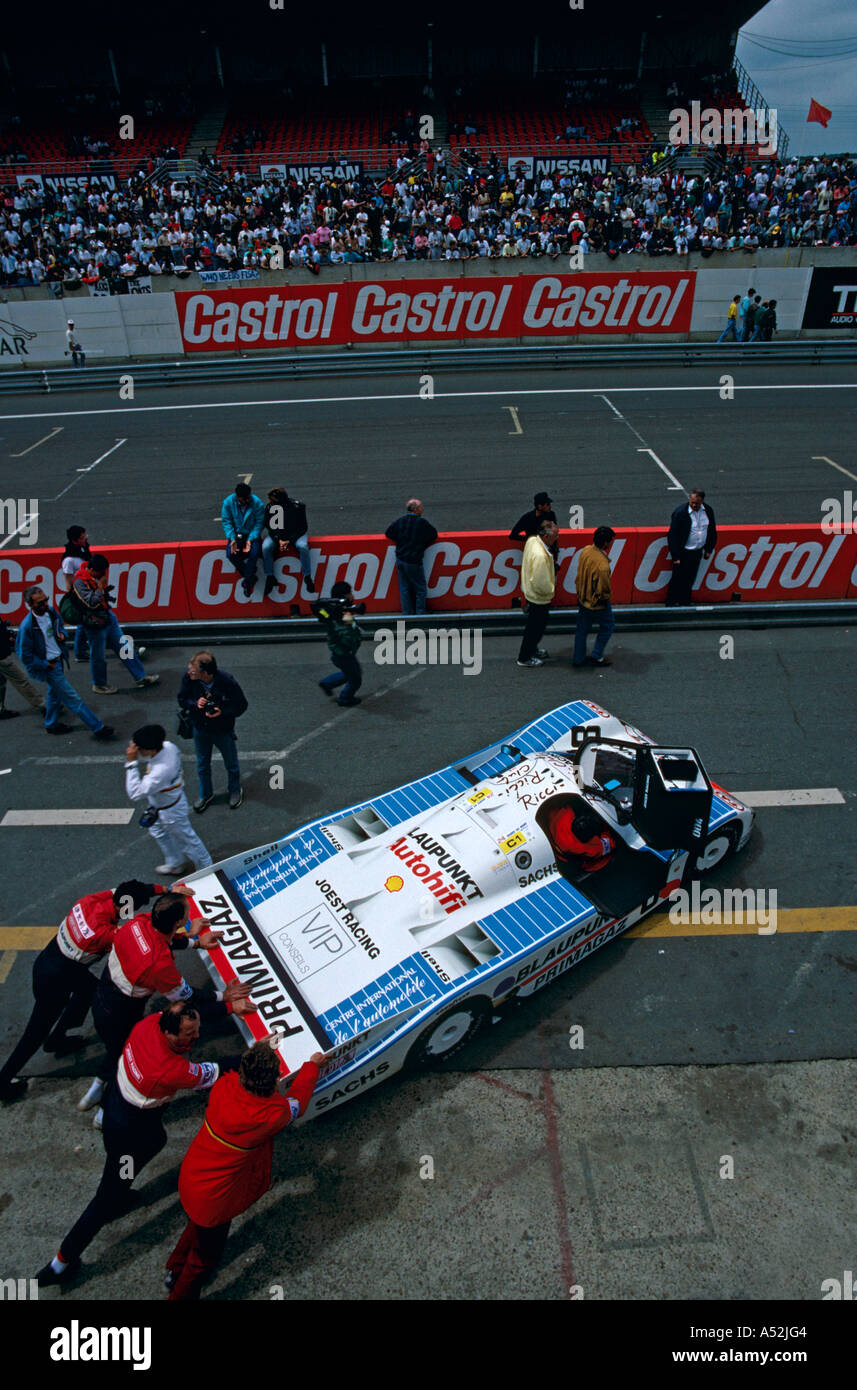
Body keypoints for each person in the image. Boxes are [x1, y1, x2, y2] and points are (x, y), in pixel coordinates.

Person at [36, 999, 256, 1288]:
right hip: (131, 1131)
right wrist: (255, 1058)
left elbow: (192, 1014)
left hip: (119, 1108)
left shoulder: (150, 1023)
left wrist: (228, 1006)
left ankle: (120, 1188)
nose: (196, 1037)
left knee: (153, 1142)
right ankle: (61, 1262)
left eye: (195, 1031)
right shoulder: (171, 1069)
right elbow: (216, 1070)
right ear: (169, 1034)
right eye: (189, 1035)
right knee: (108, 1193)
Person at [165, 1038, 323, 1299]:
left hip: (192, 1177)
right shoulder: (272, 1115)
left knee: (196, 1227)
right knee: (204, 1259)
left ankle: (174, 1269)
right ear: (272, 1081)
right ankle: (180, 1291)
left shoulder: (223, 1087)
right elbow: (298, 1102)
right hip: (216, 1200)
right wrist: (311, 1067)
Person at [0, 879, 178, 1104]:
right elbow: (138, 938)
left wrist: (169, 890)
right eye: (133, 910)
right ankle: (3, 1082)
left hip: (49, 962)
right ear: (126, 907)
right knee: (35, 1033)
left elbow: (131, 890)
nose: (131, 914)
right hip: (57, 979)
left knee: (91, 993)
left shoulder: (92, 901)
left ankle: (57, 1039)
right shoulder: (102, 933)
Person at [79, 891, 251, 1122]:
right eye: (186, 913)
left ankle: (95, 1090)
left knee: (116, 1050)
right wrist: (224, 997)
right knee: (124, 1060)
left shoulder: (140, 921)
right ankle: (104, 1111)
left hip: (104, 995)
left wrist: (195, 941)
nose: (190, 915)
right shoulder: (159, 965)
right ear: (179, 922)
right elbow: (187, 998)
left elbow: (163, 938)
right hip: (121, 1010)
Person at [16, 586, 114, 740]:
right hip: (50, 666)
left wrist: (62, 634)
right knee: (72, 698)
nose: (45, 605)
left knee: (54, 694)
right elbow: (25, 656)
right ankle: (98, 727)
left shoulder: (50, 612)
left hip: (58, 660)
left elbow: (59, 625)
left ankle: (51, 724)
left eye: (46, 600)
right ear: (30, 605)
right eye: (40, 603)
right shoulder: (27, 627)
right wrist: (45, 665)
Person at [125, 723, 213, 875]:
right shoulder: (168, 746)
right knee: (159, 833)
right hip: (161, 805)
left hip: (170, 811)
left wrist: (132, 763)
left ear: (151, 749)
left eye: (139, 747)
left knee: (188, 842)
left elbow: (135, 793)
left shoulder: (161, 771)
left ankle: (206, 870)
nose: (135, 749)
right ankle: (175, 863)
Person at [70, 553, 159, 694]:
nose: (103, 575)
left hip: (107, 617)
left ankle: (140, 677)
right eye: (101, 572)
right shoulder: (79, 582)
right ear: (92, 569)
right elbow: (91, 602)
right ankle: (99, 684)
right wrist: (100, 588)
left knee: (125, 648)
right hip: (94, 624)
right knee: (98, 656)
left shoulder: (93, 576)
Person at [178, 652, 247, 812]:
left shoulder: (226, 681)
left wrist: (222, 710)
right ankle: (205, 794)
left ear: (206, 673)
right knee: (202, 764)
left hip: (222, 729)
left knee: (231, 763)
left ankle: (235, 789)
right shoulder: (189, 678)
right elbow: (182, 699)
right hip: (200, 727)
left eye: (193, 671)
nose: (189, 673)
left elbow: (241, 705)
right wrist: (195, 703)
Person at [385, 498, 438, 615]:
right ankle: (420, 614)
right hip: (414, 560)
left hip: (400, 559)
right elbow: (433, 535)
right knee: (420, 588)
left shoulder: (400, 521)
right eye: (421, 507)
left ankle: (407, 613)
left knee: (404, 588)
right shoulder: (422, 523)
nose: (422, 509)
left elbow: (389, 533)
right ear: (416, 509)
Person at [315, 581, 365, 707]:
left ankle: (327, 683)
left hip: (340, 654)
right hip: (344, 654)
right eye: (350, 593)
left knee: (349, 673)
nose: (353, 596)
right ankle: (345, 698)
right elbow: (348, 636)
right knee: (355, 679)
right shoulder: (339, 617)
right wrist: (348, 621)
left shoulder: (337, 613)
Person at [517, 518, 558, 667]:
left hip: (530, 593)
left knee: (534, 627)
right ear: (546, 536)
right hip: (539, 598)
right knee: (535, 629)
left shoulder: (532, 540)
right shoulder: (541, 556)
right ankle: (524, 657)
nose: (557, 538)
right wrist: (551, 591)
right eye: (555, 536)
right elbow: (541, 583)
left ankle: (531, 650)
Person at [573, 526, 616, 668]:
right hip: (596, 603)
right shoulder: (603, 565)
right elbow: (604, 590)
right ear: (605, 543)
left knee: (582, 630)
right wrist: (604, 601)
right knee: (608, 626)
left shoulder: (586, 550)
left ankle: (578, 659)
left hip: (582, 598)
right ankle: (597, 655)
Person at [666, 490, 717, 606]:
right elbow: (672, 535)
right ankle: (671, 603)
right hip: (683, 552)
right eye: (692, 502)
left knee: (690, 579)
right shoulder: (680, 513)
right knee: (677, 579)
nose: (694, 505)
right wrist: (675, 555)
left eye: (697, 503)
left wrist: (709, 549)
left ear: (702, 502)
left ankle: (685, 602)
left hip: (697, 552)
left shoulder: (708, 511)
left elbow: (712, 530)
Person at [262, 487, 315, 596]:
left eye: (272, 500)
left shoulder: (298, 507)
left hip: (295, 535)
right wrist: (279, 540)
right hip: (278, 536)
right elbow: (270, 527)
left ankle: (307, 576)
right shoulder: (270, 508)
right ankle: (270, 576)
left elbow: (302, 528)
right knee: (266, 547)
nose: (269, 502)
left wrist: (289, 541)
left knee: (303, 546)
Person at [221, 483, 265, 597]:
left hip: (252, 535)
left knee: (254, 553)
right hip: (237, 536)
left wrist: (250, 539)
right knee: (231, 554)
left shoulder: (257, 503)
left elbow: (259, 523)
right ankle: (250, 576)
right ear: (238, 497)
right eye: (244, 498)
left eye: (248, 497)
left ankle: (247, 580)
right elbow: (227, 522)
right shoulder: (228, 503)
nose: (247, 500)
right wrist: (231, 538)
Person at [545, 805, 616, 872]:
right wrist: (605, 828)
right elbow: (611, 843)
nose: (582, 823)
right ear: (591, 837)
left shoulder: (564, 816)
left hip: (554, 843)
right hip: (576, 861)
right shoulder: (590, 849)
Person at [0, 615, 45, 720]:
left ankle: (0, 709)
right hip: (1, 656)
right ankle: (43, 704)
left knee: (1, 682)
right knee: (20, 680)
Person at [60, 525, 91, 661]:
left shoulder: (83, 550)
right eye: (82, 538)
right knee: (83, 624)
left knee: (83, 624)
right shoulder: (69, 560)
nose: (86, 539)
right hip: (80, 595)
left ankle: (81, 651)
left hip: (88, 591)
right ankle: (79, 652)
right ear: (75, 540)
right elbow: (68, 582)